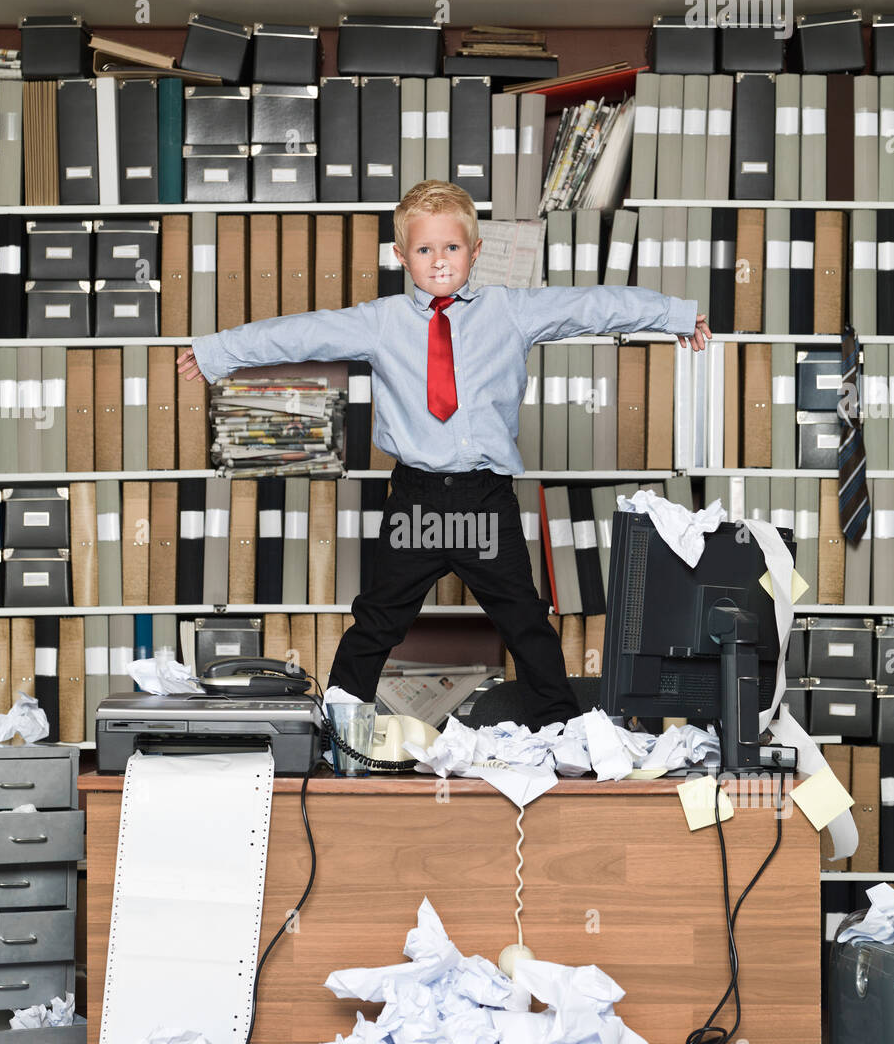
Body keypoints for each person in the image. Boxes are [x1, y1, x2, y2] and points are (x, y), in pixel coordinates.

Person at [177, 180, 711, 731]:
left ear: (475, 252)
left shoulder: (511, 312)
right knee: (377, 622)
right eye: (425, 249)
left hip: (485, 502)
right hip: (417, 502)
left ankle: (562, 737)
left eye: (452, 248)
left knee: (526, 623)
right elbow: (301, 335)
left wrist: (673, 314)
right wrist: (217, 351)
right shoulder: (380, 321)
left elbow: (591, 305)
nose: (438, 261)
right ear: (401, 256)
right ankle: (334, 733)